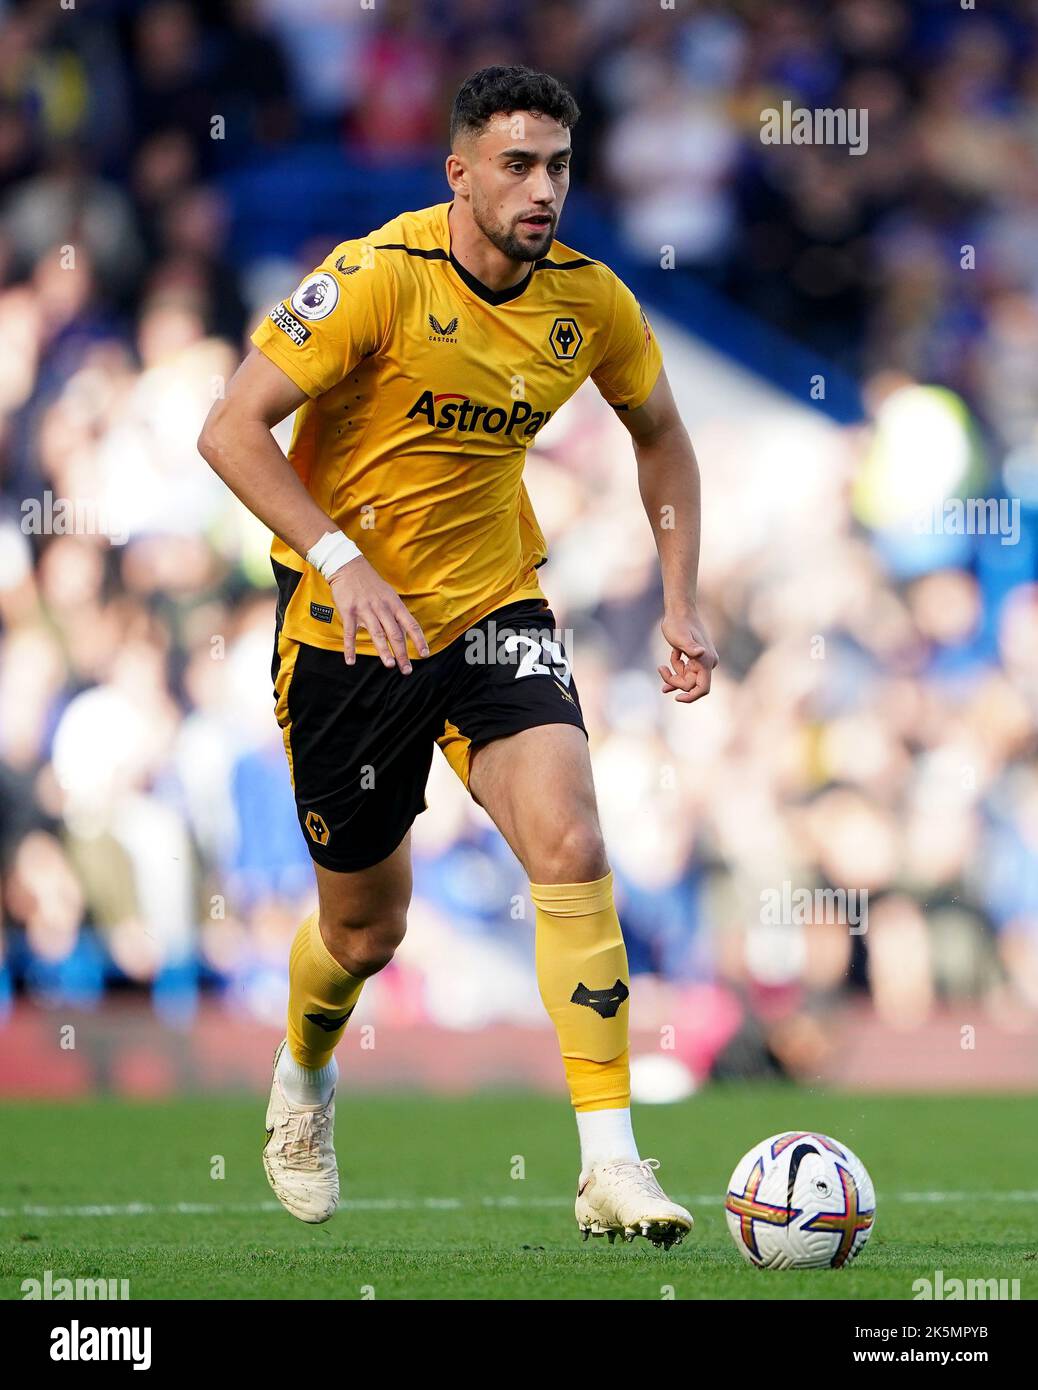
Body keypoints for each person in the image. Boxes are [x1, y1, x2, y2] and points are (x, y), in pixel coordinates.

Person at [198, 64, 717, 1248]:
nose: (544, 190)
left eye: (561, 167)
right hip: (350, 632)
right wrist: (337, 558)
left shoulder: (590, 303)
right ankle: (304, 1081)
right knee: (366, 932)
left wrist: (681, 595)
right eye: (519, 165)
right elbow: (229, 427)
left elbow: (664, 435)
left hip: (494, 607)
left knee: (573, 838)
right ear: (460, 174)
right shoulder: (375, 278)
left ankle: (610, 1161)